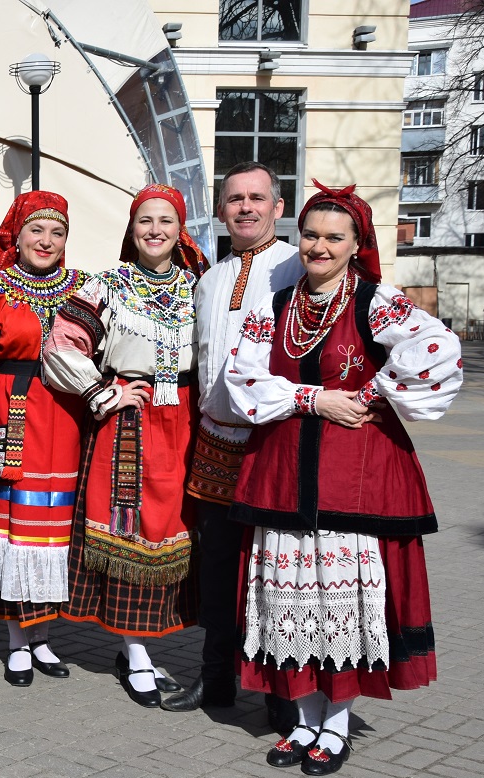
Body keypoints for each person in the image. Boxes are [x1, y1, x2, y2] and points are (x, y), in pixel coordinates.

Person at [226, 182, 461, 775]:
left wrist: (373, 392)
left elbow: (438, 347)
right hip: (284, 471)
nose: (320, 247)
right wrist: (316, 399)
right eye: (311, 235)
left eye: (335, 237)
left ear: (357, 244)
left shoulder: (376, 302)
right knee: (288, 600)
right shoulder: (276, 305)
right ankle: (304, 722)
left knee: (341, 601)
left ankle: (335, 728)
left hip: (352, 476)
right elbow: (243, 379)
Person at [43, 183, 207, 708]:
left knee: (180, 528)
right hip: (132, 423)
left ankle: (155, 645)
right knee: (131, 527)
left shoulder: (201, 285)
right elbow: (60, 343)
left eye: (166, 221)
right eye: (145, 221)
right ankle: (135, 653)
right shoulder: (107, 285)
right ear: (132, 229)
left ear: (180, 230)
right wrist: (102, 390)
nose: (155, 230)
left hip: (188, 420)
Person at [160, 163, 302, 734]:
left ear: (278, 207)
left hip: (272, 442)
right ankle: (216, 676)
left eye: (257, 198)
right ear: (221, 210)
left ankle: (281, 693)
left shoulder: (297, 266)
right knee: (217, 567)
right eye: (235, 199)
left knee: (275, 568)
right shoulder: (209, 278)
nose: (246, 207)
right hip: (214, 443)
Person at [0, 191, 86, 686]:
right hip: (8, 415)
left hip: (66, 419)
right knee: (11, 530)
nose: (46, 241)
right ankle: (16, 642)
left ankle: (43, 637)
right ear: (17, 236)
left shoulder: (84, 288)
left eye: (57, 232)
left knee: (53, 530)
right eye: (36, 230)